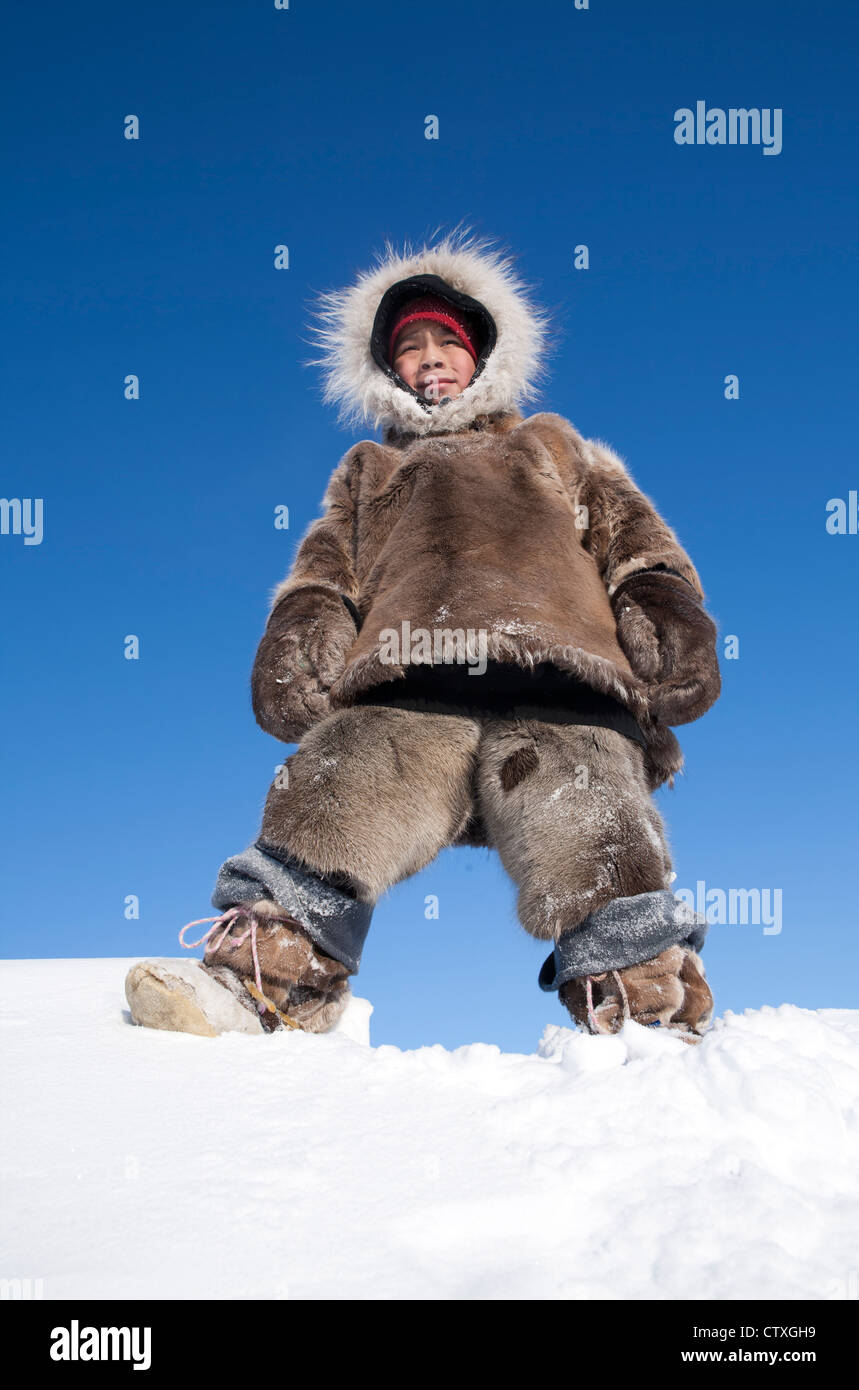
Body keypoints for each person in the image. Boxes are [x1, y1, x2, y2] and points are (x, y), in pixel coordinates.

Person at [125, 228, 720, 1042]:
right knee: (332, 788)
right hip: (411, 687)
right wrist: (304, 630)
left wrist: (662, 608)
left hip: (566, 682)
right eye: (410, 347)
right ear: (386, 368)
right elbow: (327, 571)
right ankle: (267, 978)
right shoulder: (370, 471)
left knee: (592, 821)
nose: (431, 358)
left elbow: (634, 542)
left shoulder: (551, 445)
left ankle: (643, 1002)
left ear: (483, 356)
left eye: (449, 341)